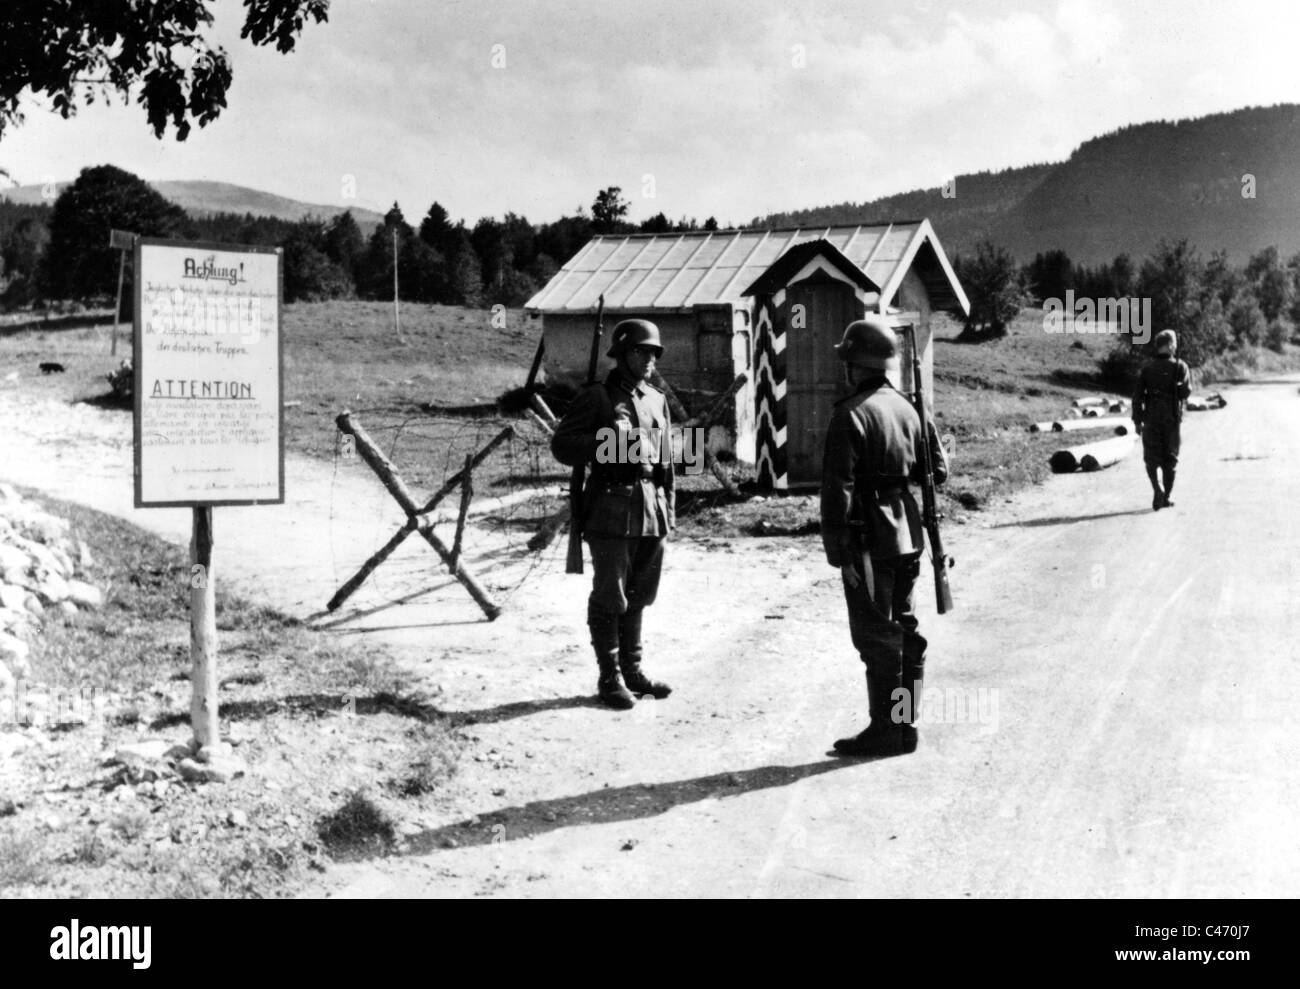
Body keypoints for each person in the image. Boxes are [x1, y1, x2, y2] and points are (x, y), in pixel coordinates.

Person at [820, 316, 948, 757]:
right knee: (905, 630)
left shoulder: (849, 414)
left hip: (870, 538)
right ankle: (904, 725)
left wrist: (839, 551)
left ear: (855, 364)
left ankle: (886, 730)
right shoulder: (910, 409)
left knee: (878, 636)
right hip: (909, 535)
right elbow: (940, 470)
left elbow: (838, 489)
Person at [551, 319, 675, 710]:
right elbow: (564, 445)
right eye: (642, 352)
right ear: (622, 355)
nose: (651, 359)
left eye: (654, 352)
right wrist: (610, 444)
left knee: (641, 593)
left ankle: (633, 671)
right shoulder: (599, 397)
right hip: (610, 508)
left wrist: (668, 511)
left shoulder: (656, 399)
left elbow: (667, 461)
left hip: (650, 507)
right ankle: (610, 677)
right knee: (611, 594)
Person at [1132, 328, 1191, 510]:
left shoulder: (1147, 369)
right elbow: (1186, 392)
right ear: (1171, 345)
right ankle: (1165, 496)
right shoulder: (1180, 366)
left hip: (1151, 418)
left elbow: (1137, 397)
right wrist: (1177, 386)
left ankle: (1157, 489)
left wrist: (1137, 420)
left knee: (1151, 458)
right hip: (1172, 419)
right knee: (1170, 460)